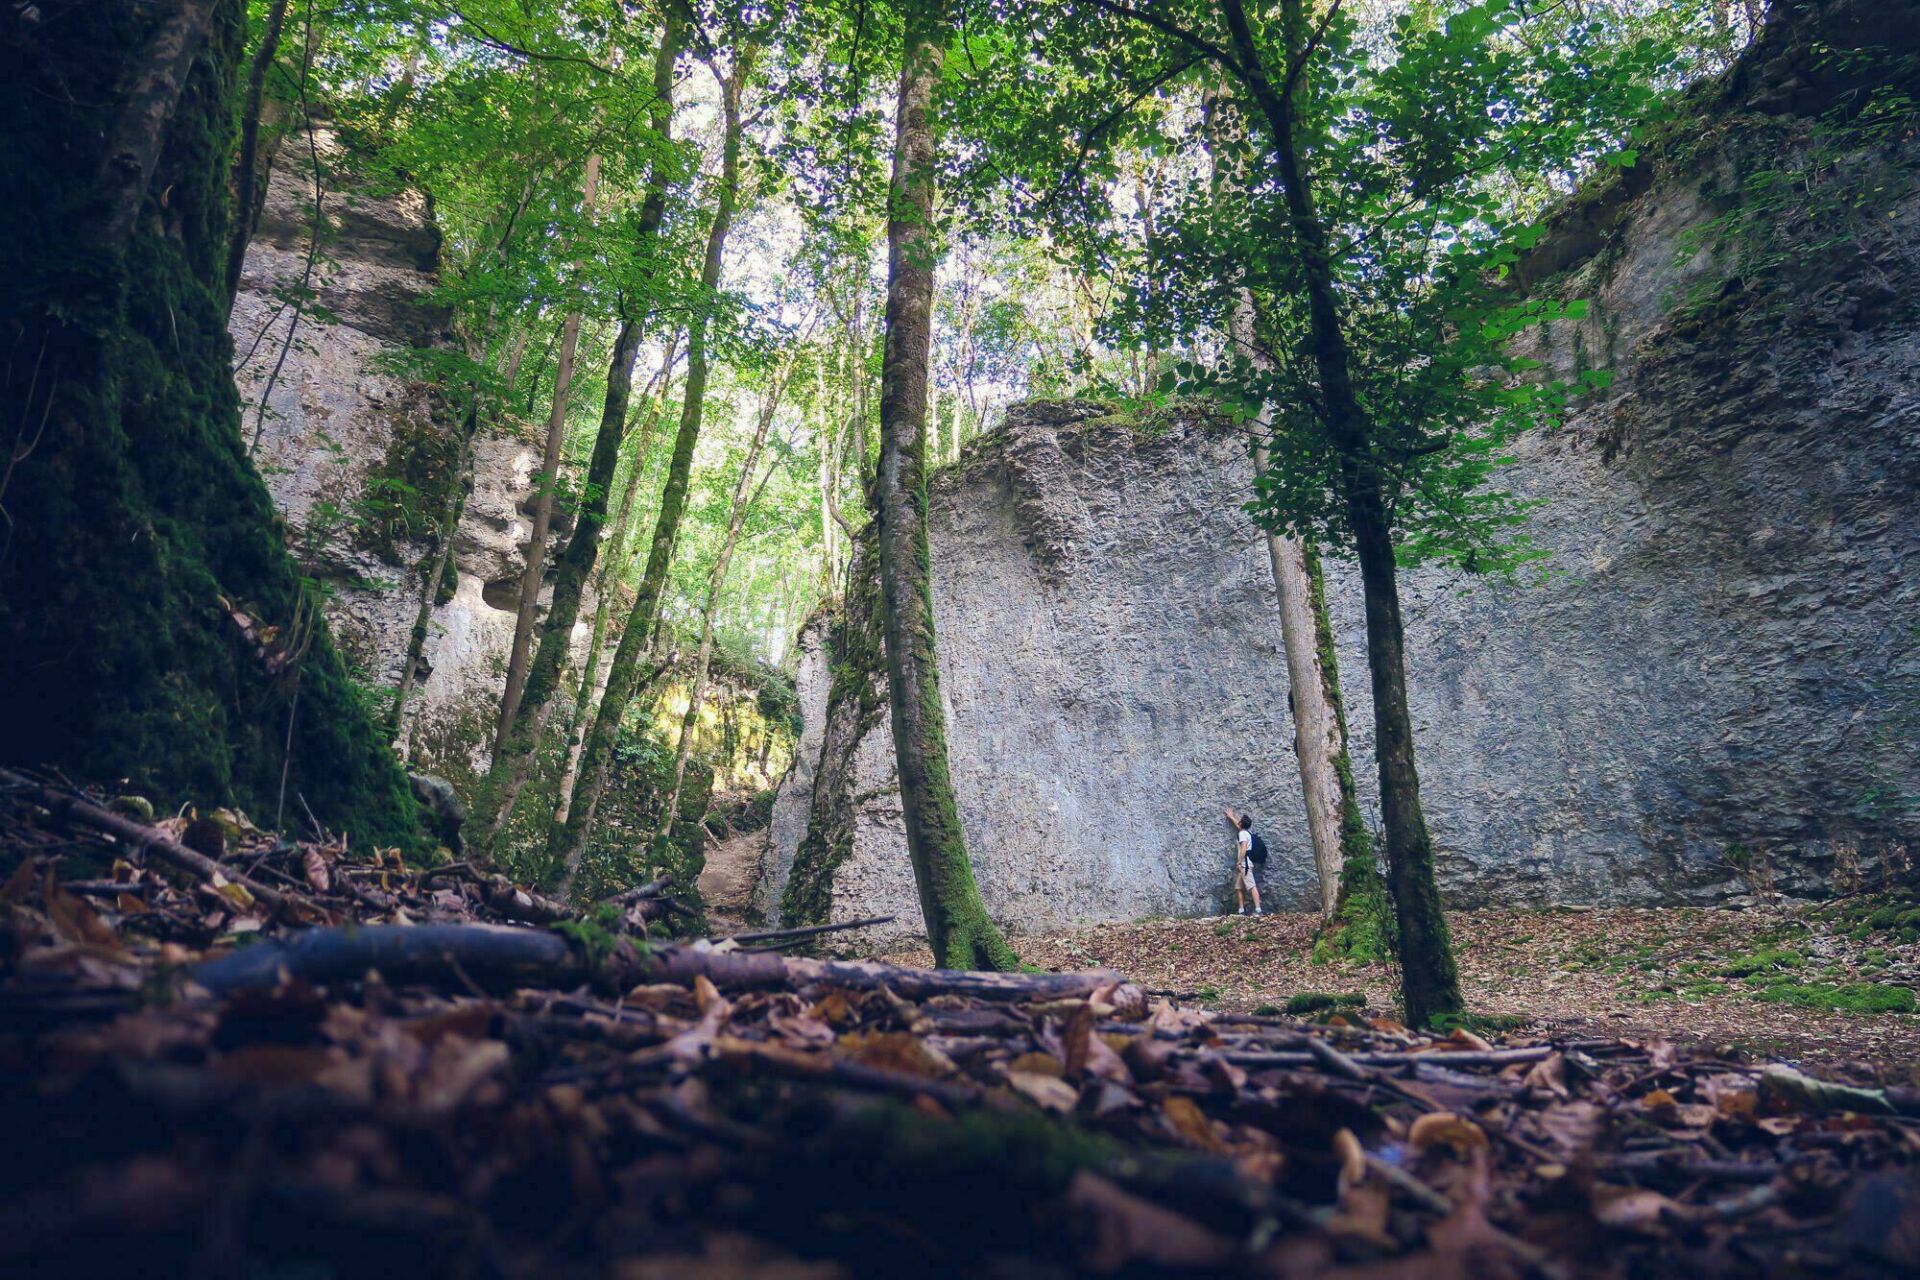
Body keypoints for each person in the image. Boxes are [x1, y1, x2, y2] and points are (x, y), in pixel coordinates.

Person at [1223, 806, 1265, 916]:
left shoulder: (1242, 834)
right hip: (1245, 864)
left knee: (1251, 886)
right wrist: (1231, 817)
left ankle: (1258, 910)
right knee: (1238, 887)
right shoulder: (1246, 832)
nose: (1239, 822)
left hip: (1244, 864)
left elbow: (1243, 848)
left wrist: (1239, 862)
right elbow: (1238, 826)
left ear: (1242, 824)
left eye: (1240, 821)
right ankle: (1241, 911)